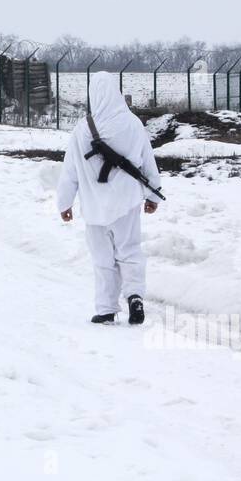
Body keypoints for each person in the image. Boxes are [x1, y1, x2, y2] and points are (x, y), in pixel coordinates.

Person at [57, 72, 161, 325]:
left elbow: (70, 170)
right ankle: (135, 296)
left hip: (94, 207)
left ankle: (105, 309)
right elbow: (147, 160)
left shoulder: (83, 129)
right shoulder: (133, 124)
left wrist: (65, 203)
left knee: (102, 259)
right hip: (126, 203)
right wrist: (152, 193)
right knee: (130, 251)